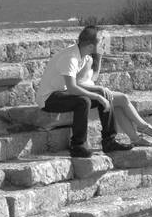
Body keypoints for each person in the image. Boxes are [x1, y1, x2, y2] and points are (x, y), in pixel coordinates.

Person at [37, 25, 133, 158]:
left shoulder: (85, 57)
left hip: (64, 93)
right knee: (83, 101)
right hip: (48, 99)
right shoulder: (70, 57)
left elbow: (79, 84)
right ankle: (77, 146)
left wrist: (100, 91)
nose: (103, 44)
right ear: (90, 46)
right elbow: (72, 87)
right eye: (100, 42)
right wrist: (97, 97)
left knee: (105, 95)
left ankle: (109, 141)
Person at [89, 42, 152, 148]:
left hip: (90, 89)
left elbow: (92, 78)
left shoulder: (91, 56)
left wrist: (98, 56)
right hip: (80, 92)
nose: (105, 45)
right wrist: (100, 89)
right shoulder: (81, 56)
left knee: (118, 105)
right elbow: (78, 83)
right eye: (102, 43)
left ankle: (136, 139)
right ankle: (143, 126)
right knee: (123, 98)